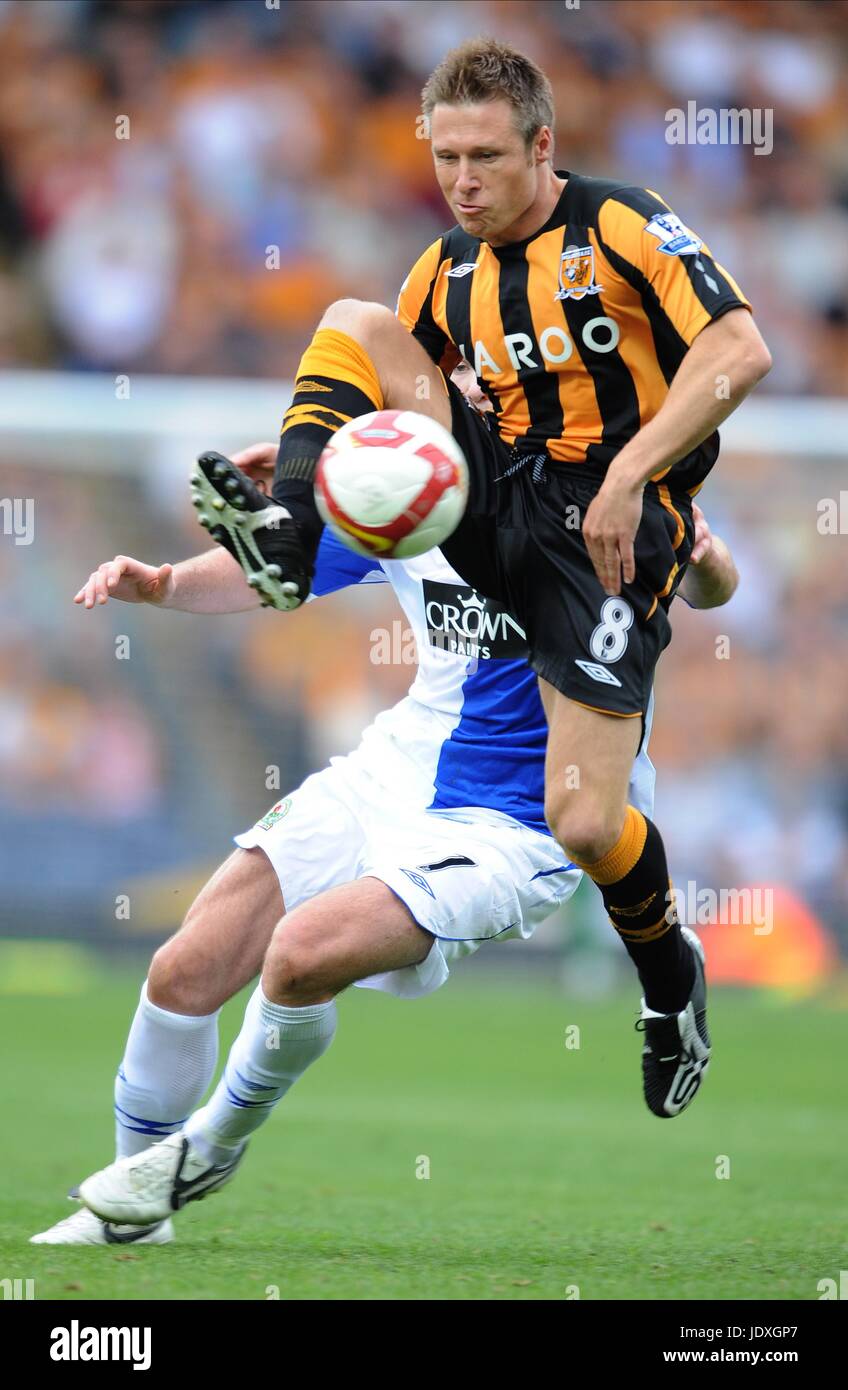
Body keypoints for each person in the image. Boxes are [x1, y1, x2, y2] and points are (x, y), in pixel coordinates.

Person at [173, 38, 770, 1123]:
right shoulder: (442, 271)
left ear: (543, 147)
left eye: (484, 157)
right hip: (494, 504)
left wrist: (634, 475)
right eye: (444, 156)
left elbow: (737, 349)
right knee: (358, 321)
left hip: (605, 536)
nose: (460, 180)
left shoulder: (620, 225)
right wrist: (320, 458)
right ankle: (285, 529)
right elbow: (402, 404)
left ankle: (667, 976)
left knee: (586, 822)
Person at [34, 415, 738, 1242]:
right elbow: (277, 575)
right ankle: (130, 1227)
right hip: (398, 765)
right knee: (184, 968)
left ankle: (210, 1147)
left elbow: (705, 581)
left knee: (300, 954)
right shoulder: (418, 495)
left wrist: (709, 557)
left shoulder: (594, 491)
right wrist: (161, 584)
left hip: (518, 824)